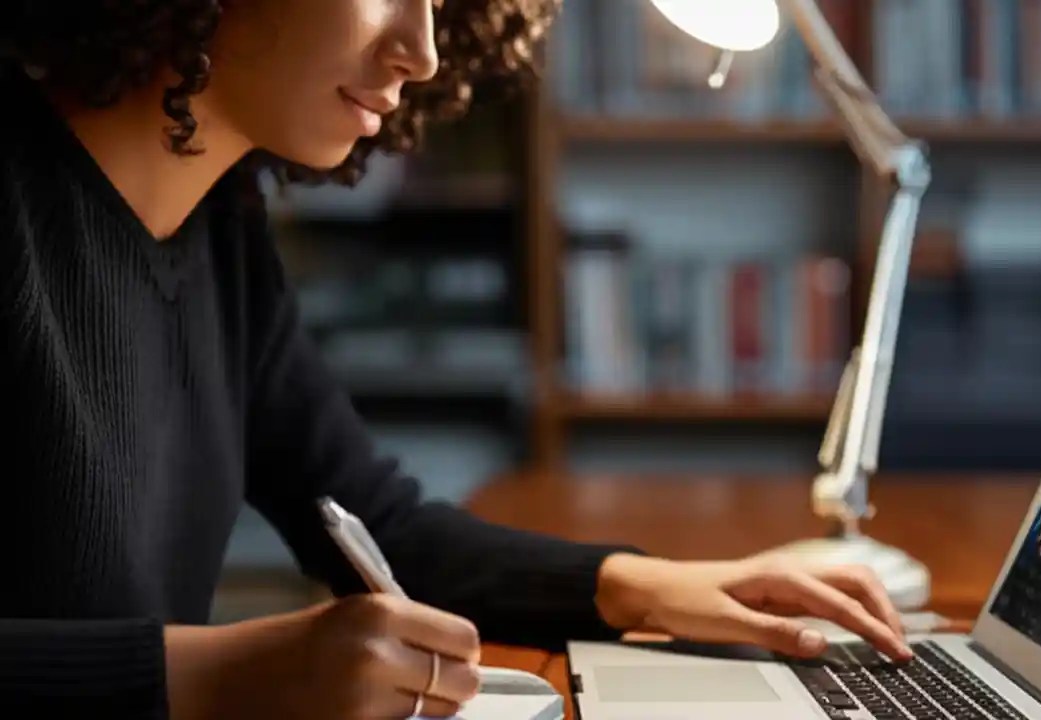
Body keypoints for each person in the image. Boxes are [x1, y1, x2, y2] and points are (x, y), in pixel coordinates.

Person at [0, 0, 913, 717]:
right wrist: (213, 676)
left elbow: (381, 526)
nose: (426, 51)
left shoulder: (221, 231)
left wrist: (653, 586)